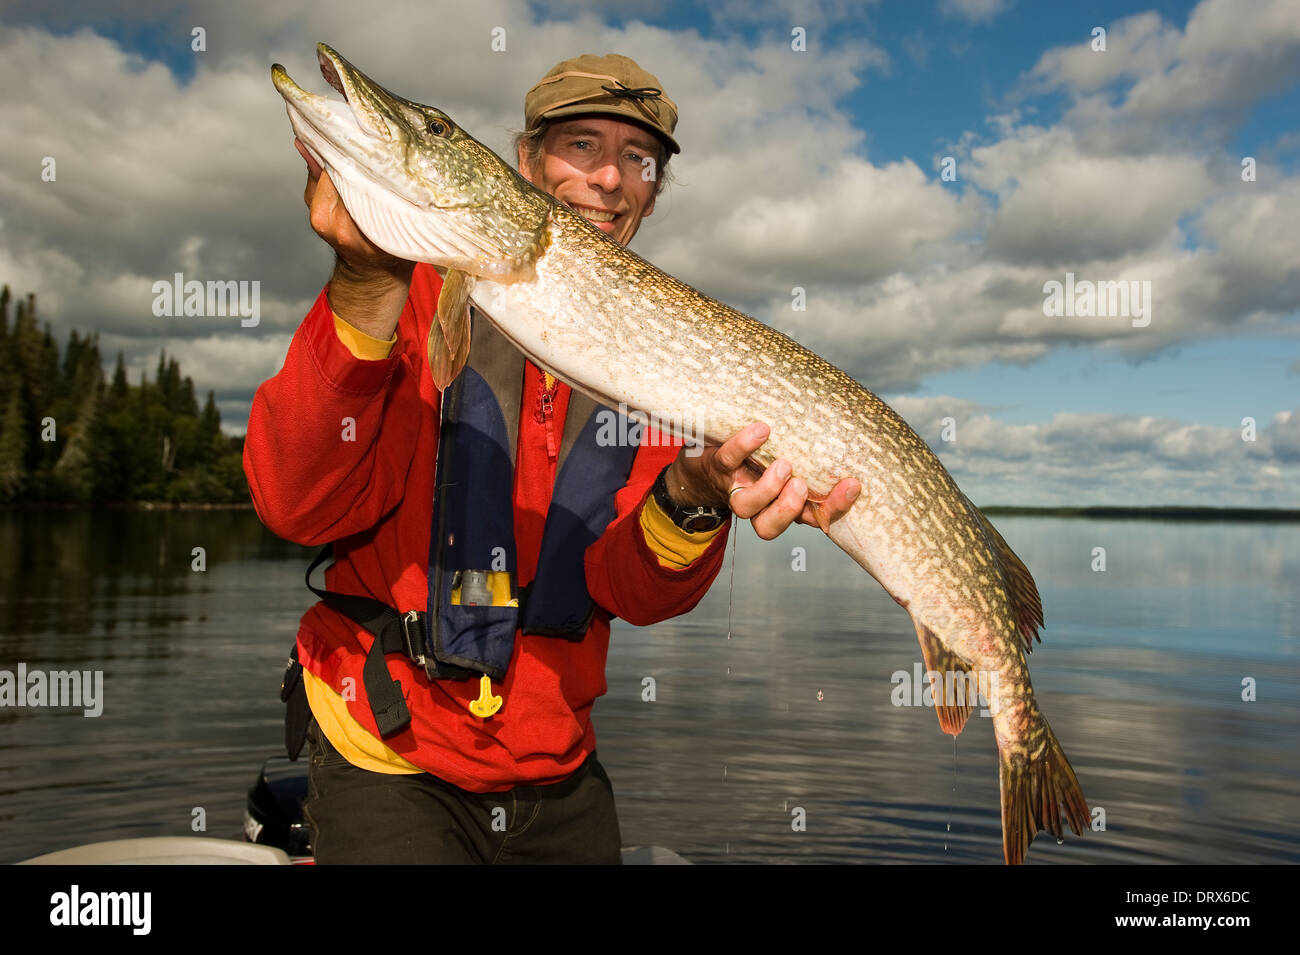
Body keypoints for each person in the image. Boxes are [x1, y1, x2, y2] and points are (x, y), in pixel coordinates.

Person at [244, 53, 860, 864]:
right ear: (524, 159)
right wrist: (364, 284)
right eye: (580, 145)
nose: (610, 178)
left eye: (639, 160)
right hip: (389, 745)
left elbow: (629, 589)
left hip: (555, 759)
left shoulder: (650, 364)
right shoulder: (411, 297)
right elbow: (298, 503)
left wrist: (697, 492)